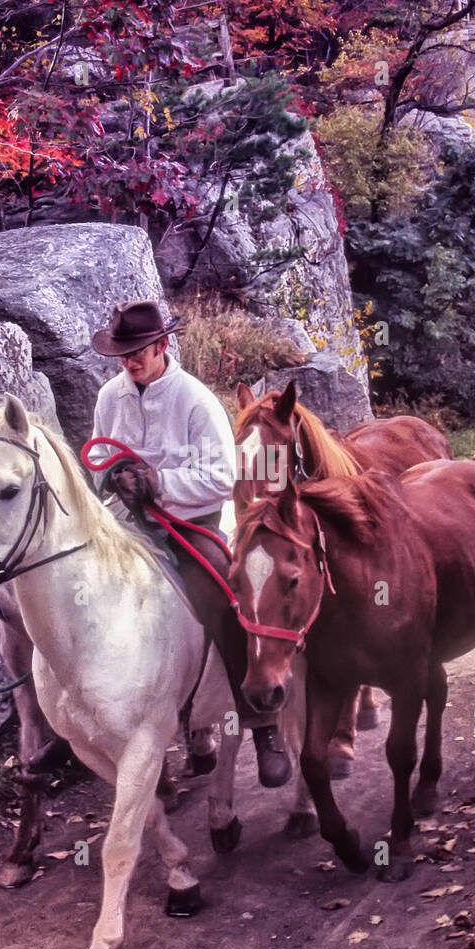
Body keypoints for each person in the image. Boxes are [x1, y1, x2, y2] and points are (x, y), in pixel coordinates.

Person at [89, 300, 291, 788]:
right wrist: (112, 477)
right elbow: (95, 452)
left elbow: (222, 478)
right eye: (123, 353)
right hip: (129, 526)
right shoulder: (110, 397)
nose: (129, 361)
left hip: (190, 524)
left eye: (138, 351)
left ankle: (262, 724)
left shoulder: (196, 401)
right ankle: (139, 735)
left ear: (162, 345)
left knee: (224, 597)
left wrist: (159, 482)